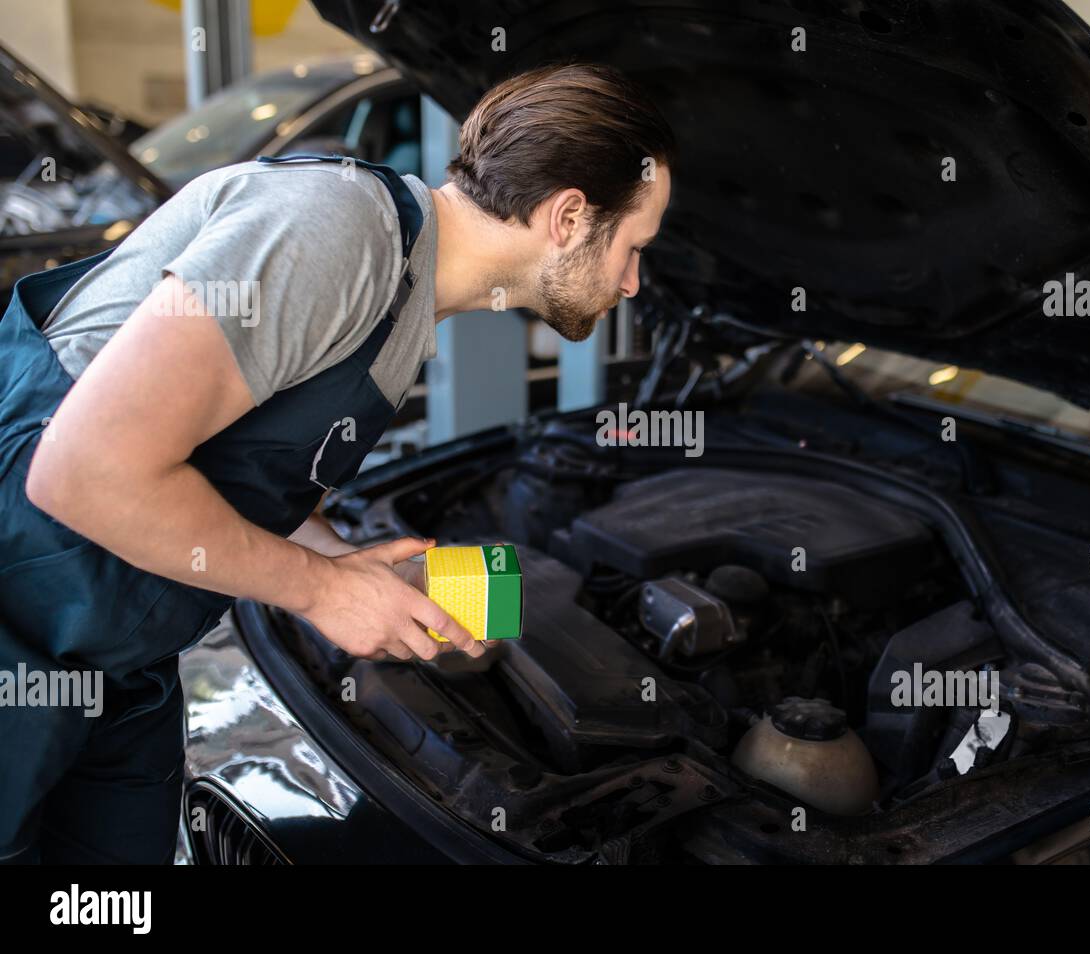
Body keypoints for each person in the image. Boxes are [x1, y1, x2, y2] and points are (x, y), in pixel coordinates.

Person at [0, 62, 675, 863]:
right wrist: (320, 591)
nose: (634, 283)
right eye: (634, 247)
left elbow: (219, 456)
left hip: (116, 655)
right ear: (568, 217)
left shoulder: (403, 302)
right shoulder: (337, 230)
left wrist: (337, 561)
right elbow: (81, 471)